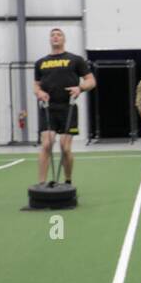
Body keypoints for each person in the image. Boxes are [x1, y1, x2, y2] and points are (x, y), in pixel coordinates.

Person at [33, 28, 94, 184]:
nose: (55, 37)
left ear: (64, 39)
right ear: (49, 39)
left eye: (59, 34)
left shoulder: (76, 60)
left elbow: (91, 81)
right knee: (46, 144)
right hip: (48, 108)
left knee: (65, 147)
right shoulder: (40, 63)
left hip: (68, 108)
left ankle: (67, 181)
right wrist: (39, 93)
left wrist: (79, 88)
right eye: (52, 35)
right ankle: (41, 184)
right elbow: (36, 86)